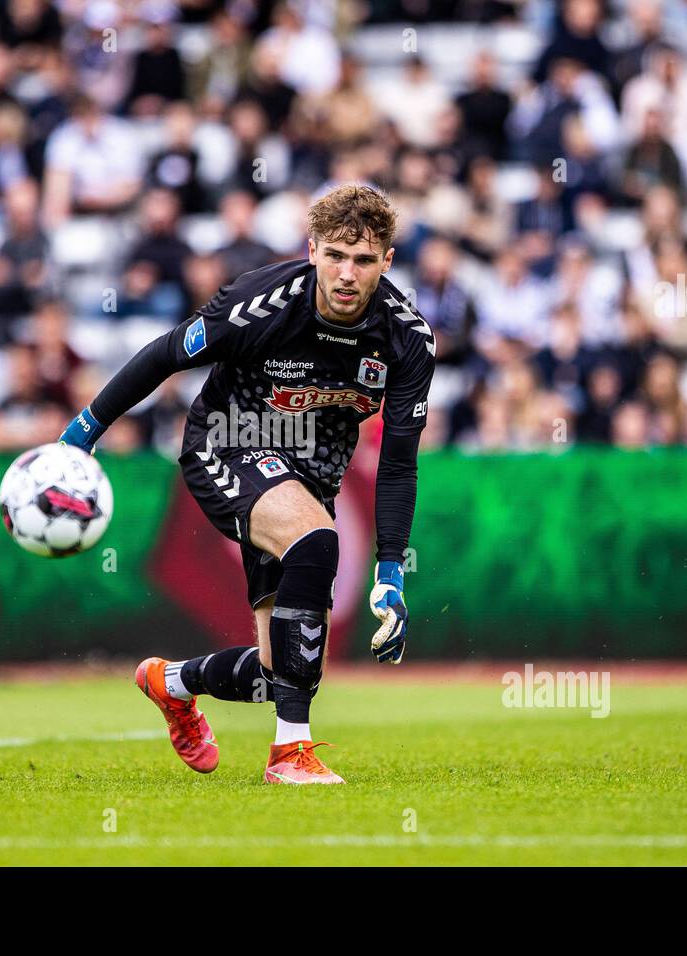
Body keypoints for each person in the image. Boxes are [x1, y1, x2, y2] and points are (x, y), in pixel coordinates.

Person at [58, 185, 435, 784]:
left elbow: (398, 463)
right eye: (335, 255)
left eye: (364, 260)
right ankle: (290, 756)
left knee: (281, 670)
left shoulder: (407, 340)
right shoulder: (261, 301)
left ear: (387, 263)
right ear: (311, 250)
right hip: (225, 443)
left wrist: (391, 572)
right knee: (316, 543)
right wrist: (82, 434)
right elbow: (163, 356)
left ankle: (170, 683)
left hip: (310, 476)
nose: (346, 273)